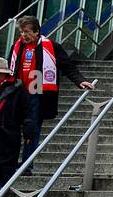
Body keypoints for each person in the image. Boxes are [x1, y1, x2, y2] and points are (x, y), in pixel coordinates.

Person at [9, 14, 94, 165]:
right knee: (13, 127)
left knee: (33, 129)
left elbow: (67, 66)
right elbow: (9, 68)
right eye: (21, 32)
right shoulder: (17, 47)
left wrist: (80, 81)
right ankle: (11, 162)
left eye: (27, 32)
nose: (24, 35)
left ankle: (27, 165)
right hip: (17, 93)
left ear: (36, 31)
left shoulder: (51, 46)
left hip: (37, 94)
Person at [0, 56, 35, 197]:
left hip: (5, 135)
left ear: (5, 73)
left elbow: (27, 111)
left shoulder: (17, 89)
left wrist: (28, 130)